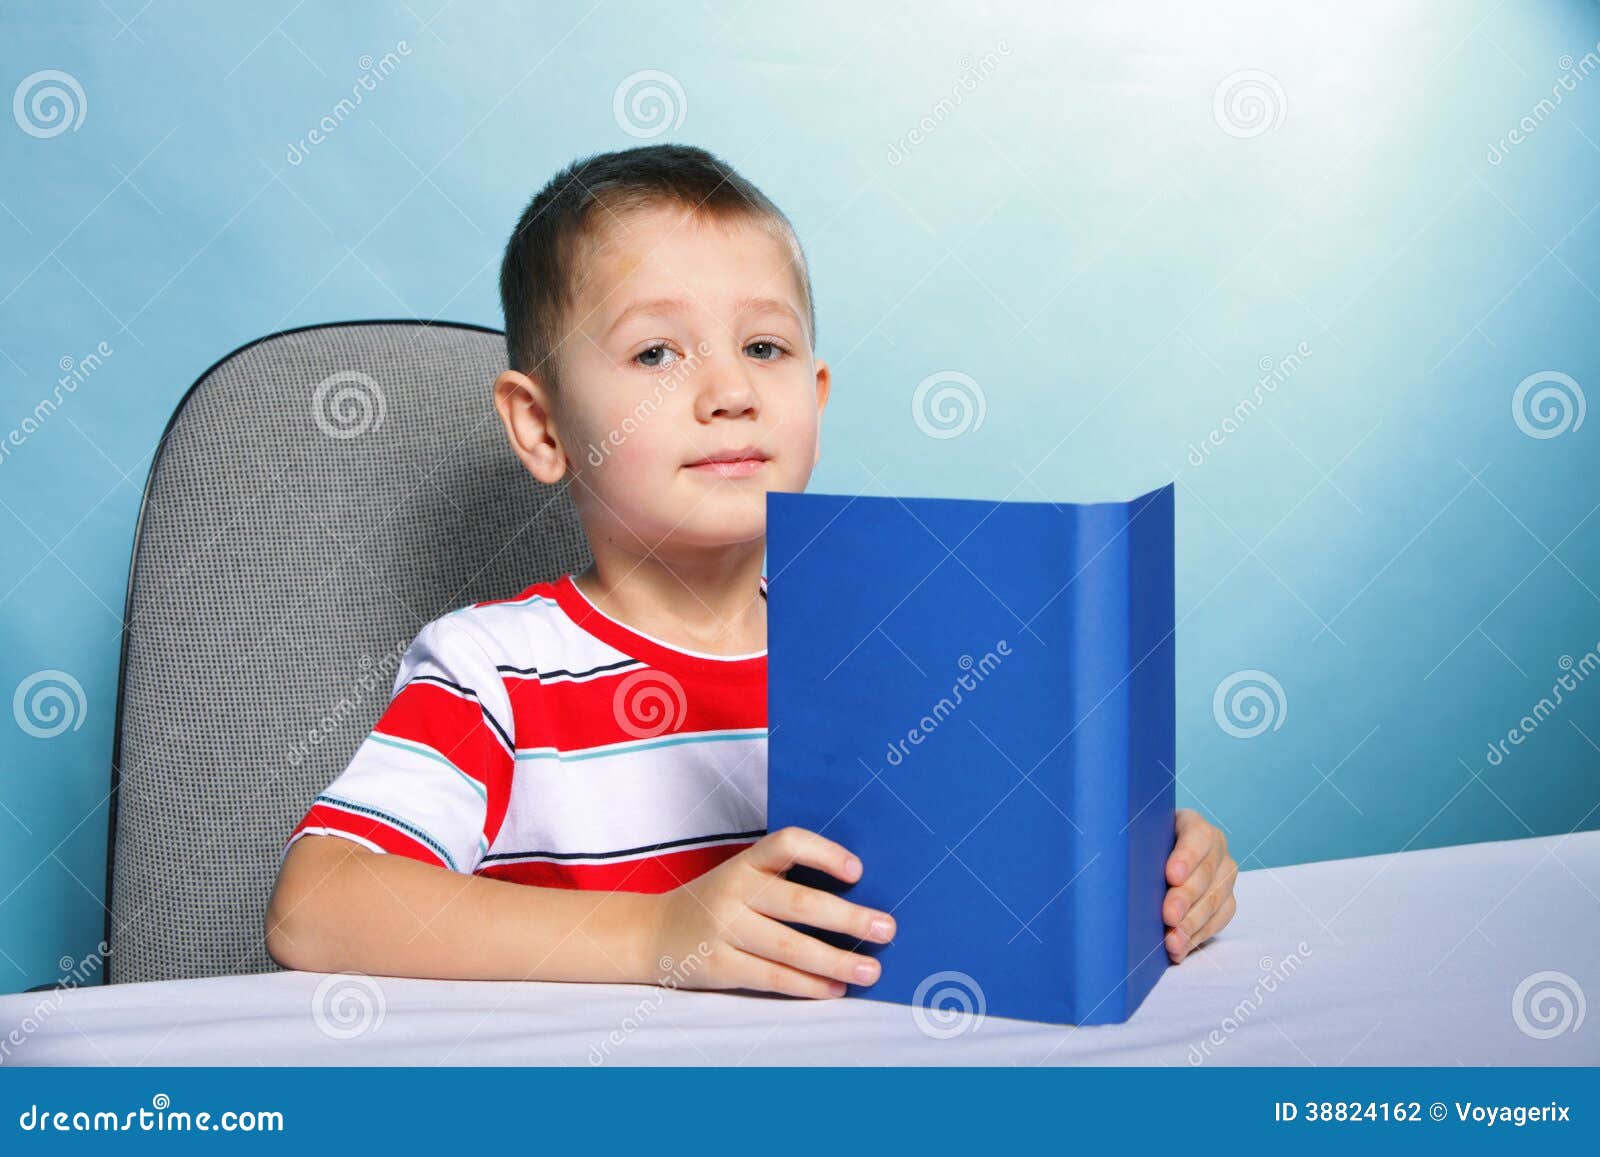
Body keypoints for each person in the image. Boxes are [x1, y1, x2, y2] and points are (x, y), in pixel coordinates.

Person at [265, 144, 1238, 1000]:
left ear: (815, 396)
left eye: (764, 347)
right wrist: (658, 934)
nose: (730, 390)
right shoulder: (495, 669)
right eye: (656, 352)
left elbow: (993, 878)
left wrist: (1151, 871)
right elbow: (315, 908)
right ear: (542, 425)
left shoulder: (885, 660)